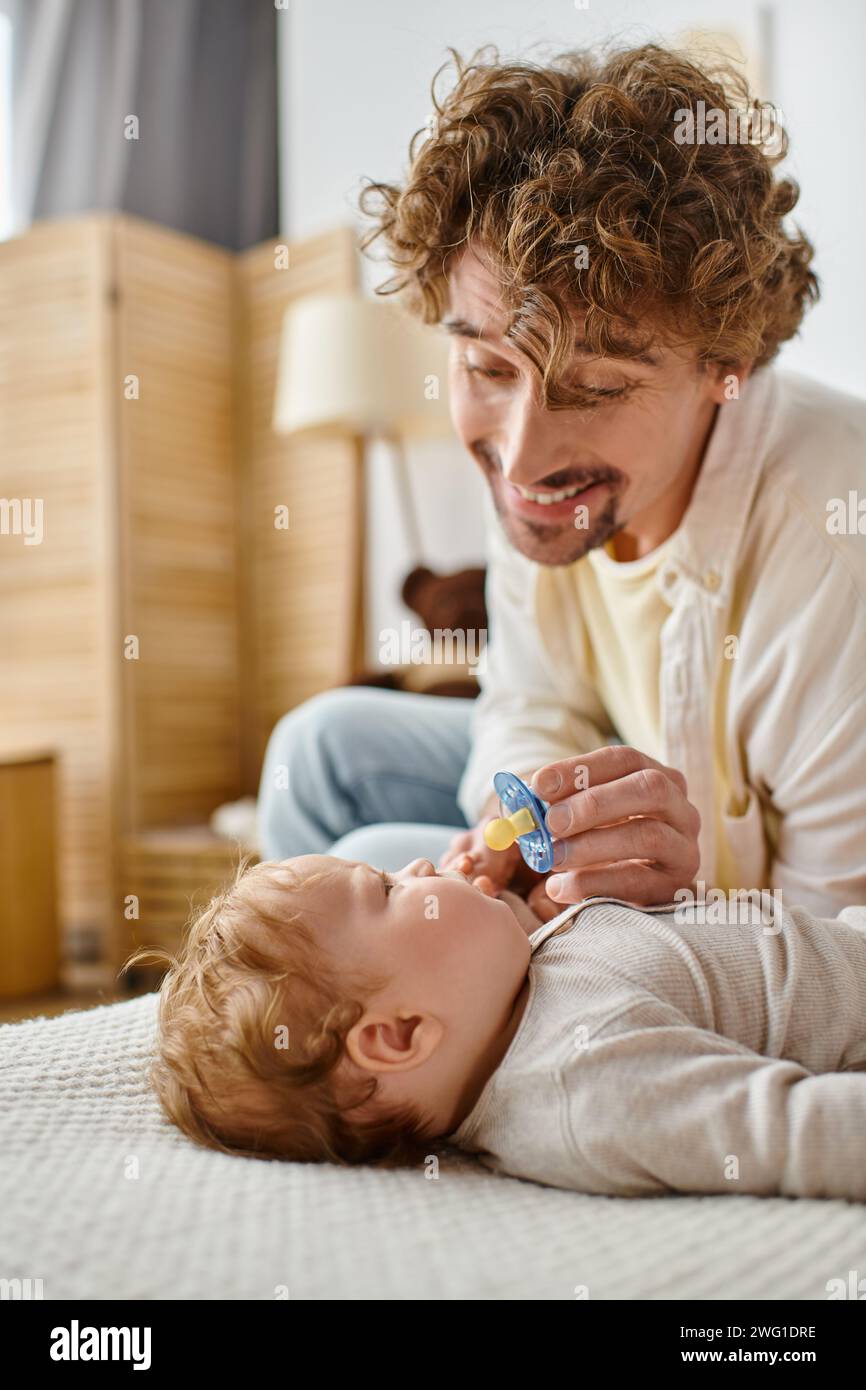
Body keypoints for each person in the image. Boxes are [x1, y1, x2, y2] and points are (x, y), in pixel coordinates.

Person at [258, 42, 866, 919]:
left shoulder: (830, 561)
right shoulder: (547, 472)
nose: (521, 454)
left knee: (369, 867)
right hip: (633, 791)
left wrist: (647, 901)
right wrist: (528, 818)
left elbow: (835, 969)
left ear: (722, 368)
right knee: (316, 748)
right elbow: (528, 695)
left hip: (747, 910)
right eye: (487, 368)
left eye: (598, 388)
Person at [143, 855, 866, 1200]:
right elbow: (793, 1130)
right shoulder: (585, 1087)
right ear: (399, 1036)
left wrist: (513, 917)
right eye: (390, 888)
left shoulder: (509, 998)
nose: (419, 864)